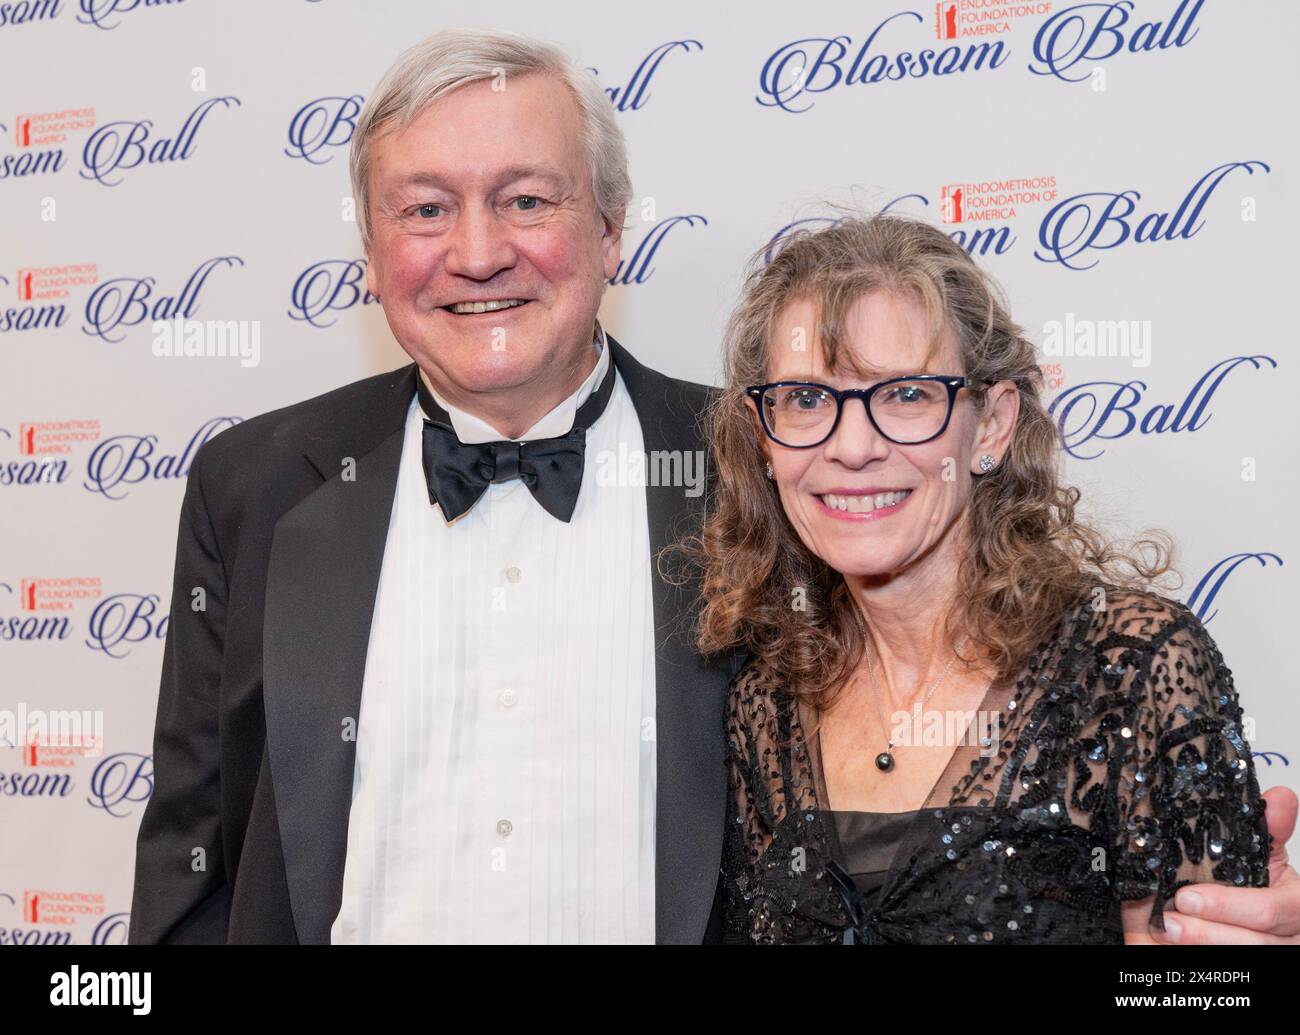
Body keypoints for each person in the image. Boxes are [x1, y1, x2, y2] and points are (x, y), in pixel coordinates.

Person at [127, 28, 740, 945]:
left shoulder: (758, 472)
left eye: (526, 199)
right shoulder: (250, 487)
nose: (479, 252)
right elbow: (193, 858)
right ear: (370, 255)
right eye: (423, 211)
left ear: (611, 227)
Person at [684, 212, 1296, 944]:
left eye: (906, 393)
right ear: (764, 437)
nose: (851, 446)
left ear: (994, 424)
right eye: (809, 399)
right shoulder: (764, 701)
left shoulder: (1128, 669)